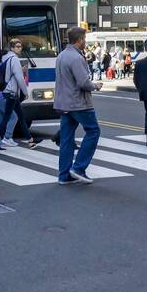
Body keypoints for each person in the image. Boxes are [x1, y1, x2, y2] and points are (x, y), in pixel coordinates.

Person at [55, 26, 102, 184]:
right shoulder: (76, 58)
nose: (85, 42)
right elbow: (83, 82)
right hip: (79, 103)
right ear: (80, 40)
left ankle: (64, 175)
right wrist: (95, 85)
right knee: (93, 131)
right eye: (84, 39)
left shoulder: (62, 55)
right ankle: (78, 168)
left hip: (64, 103)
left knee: (66, 139)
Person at [0, 38, 40, 150]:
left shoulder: (5, 59)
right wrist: (25, 92)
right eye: (17, 46)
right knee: (8, 118)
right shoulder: (13, 59)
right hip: (11, 93)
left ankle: (30, 141)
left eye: (20, 46)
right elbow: (19, 78)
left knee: (20, 117)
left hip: (10, 93)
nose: (20, 48)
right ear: (12, 48)